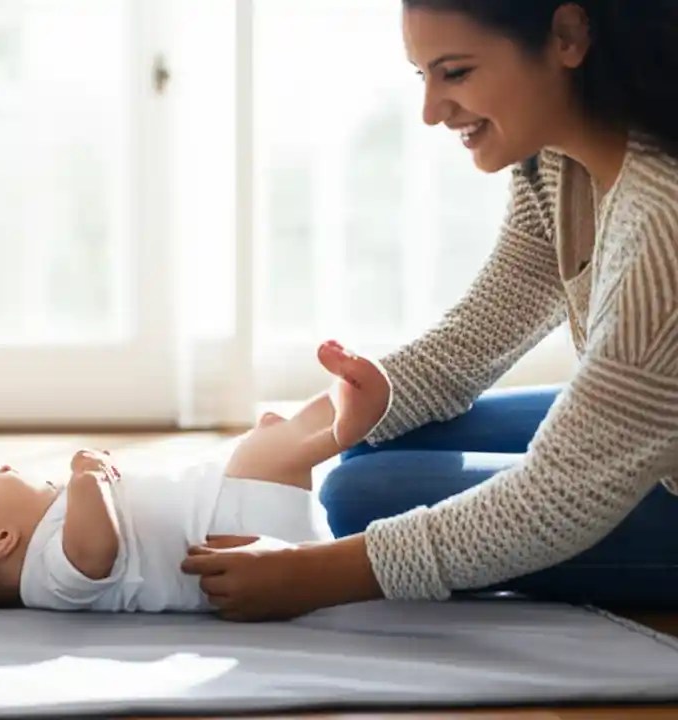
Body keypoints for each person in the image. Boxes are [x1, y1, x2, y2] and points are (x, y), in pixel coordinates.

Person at [181, 0, 678, 620]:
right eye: (424, 76)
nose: (430, 112)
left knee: (363, 495)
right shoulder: (557, 160)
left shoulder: (663, 223)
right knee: (367, 447)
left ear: (568, 36)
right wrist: (348, 410)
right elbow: (482, 329)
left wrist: (315, 575)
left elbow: (556, 497)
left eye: (457, 73)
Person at [0, 344, 380, 612]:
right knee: (270, 449)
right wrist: (87, 481)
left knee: (272, 434)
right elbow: (95, 553)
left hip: (231, 511)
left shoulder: (49, 538)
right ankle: (348, 421)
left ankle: (348, 404)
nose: (5, 470)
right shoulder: (45, 578)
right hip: (238, 542)